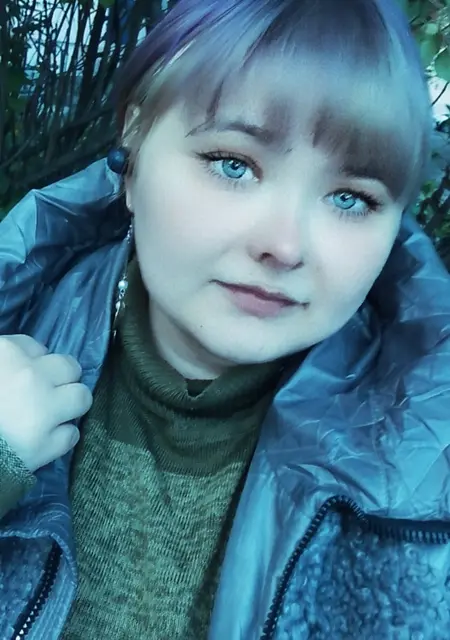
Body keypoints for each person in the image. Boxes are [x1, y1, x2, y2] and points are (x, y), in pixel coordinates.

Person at [0, 0, 449, 638]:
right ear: (134, 143)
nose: (285, 246)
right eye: (233, 164)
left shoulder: (428, 473)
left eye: (350, 198)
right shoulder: (16, 323)